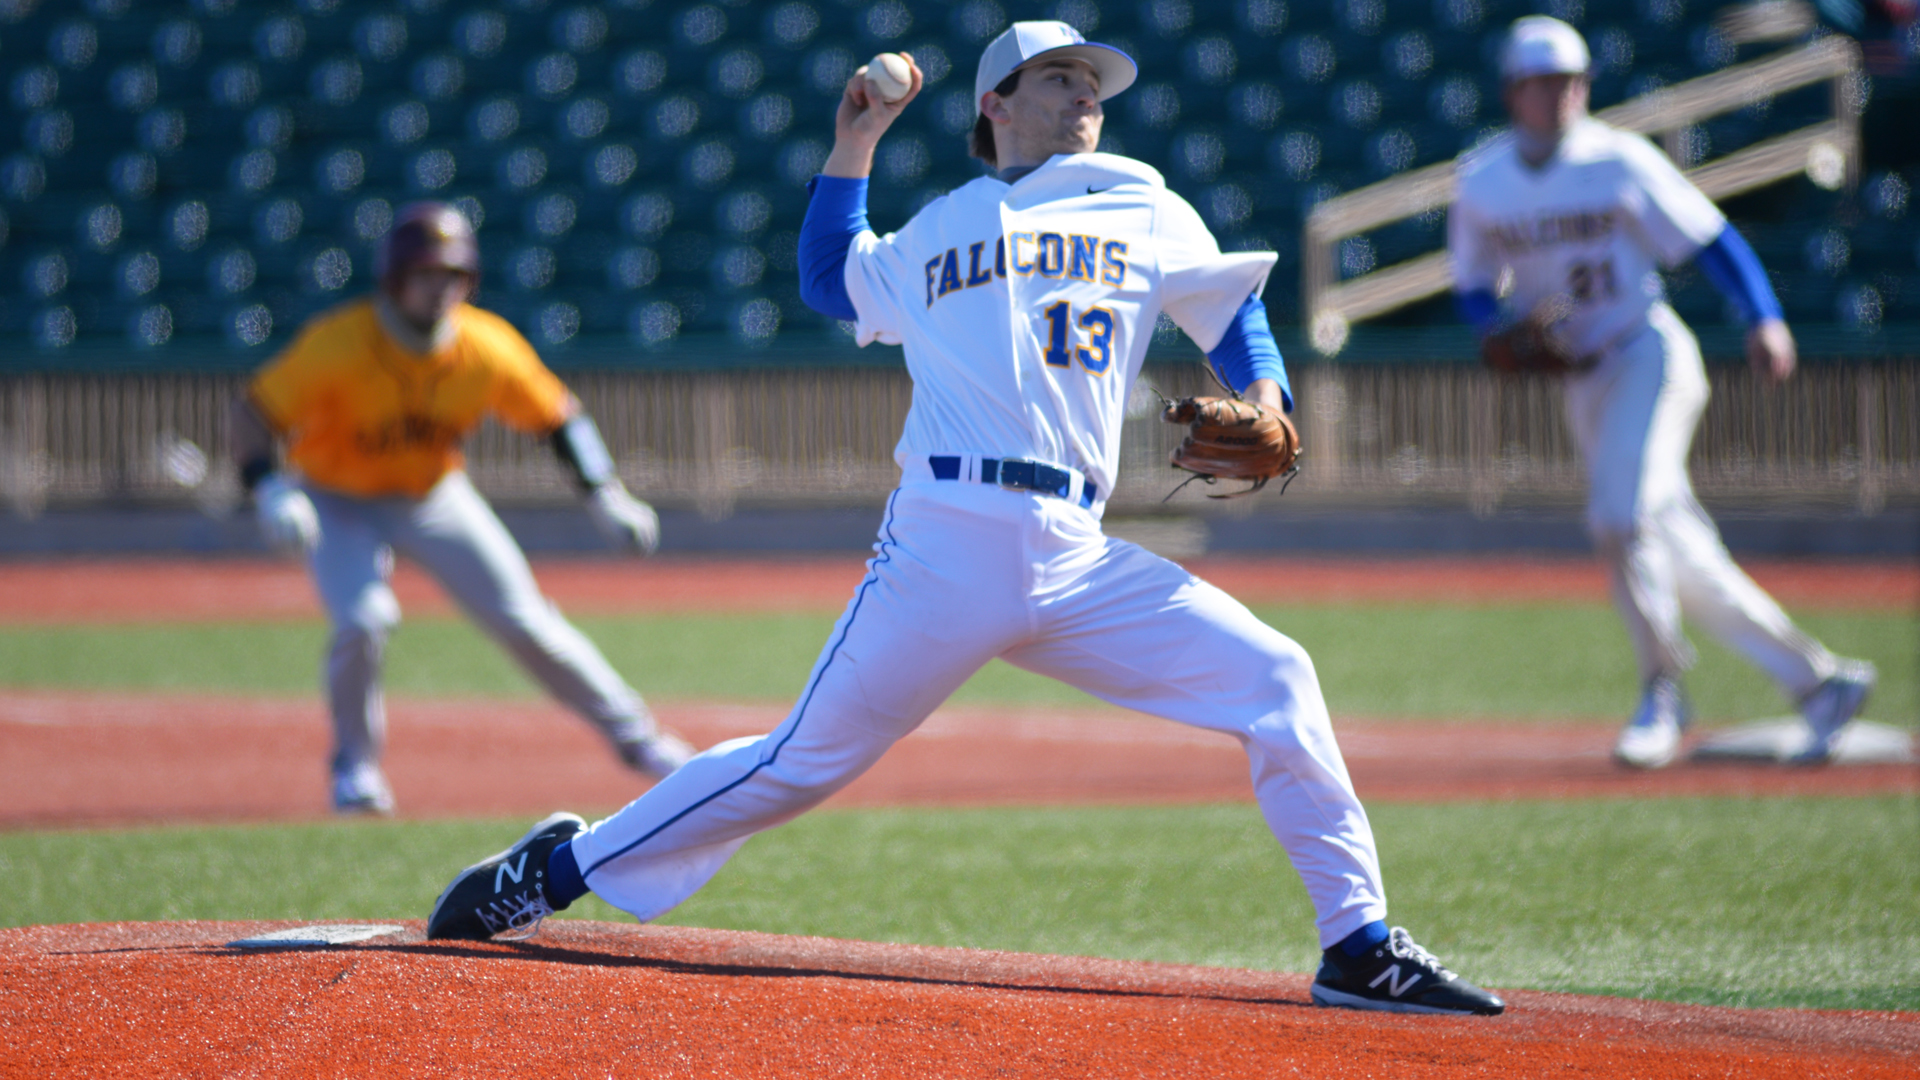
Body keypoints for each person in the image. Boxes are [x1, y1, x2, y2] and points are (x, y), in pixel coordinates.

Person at [426, 22, 1504, 1017]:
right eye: (1058, 77)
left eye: (1094, 80)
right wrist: (856, 138)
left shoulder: (1144, 201)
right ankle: (552, 872)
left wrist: (1270, 403)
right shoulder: (944, 223)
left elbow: (1234, 314)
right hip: (946, 538)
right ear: (995, 104)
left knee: (1278, 680)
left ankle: (1357, 944)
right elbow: (828, 281)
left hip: (1079, 556)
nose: (1085, 92)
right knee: (796, 764)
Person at [1448, 17, 1877, 769]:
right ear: (1514, 92)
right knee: (1674, 547)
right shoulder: (1483, 178)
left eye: (1571, 80)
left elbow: (1711, 240)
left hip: (1646, 352)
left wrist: (1763, 316)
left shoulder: (1618, 159)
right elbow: (1473, 287)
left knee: (1619, 519)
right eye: (1544, 83)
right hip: (1578, 378)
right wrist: (1496, 327)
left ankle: (1662, 689)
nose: (1561, 95)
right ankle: (1820, 682)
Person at [232, 201, 694, 815]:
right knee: (364, 620)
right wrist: (268, 485)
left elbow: (558, 417)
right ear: (396, 280)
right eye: (425, 275)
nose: (439, 289)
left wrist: (604, 491)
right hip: (338, 497)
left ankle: (642, 741)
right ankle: (355, 770)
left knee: (528, 620)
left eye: (451, 275)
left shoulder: (484, 345)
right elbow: (252, 413)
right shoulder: (340, 344)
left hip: (431, 494)